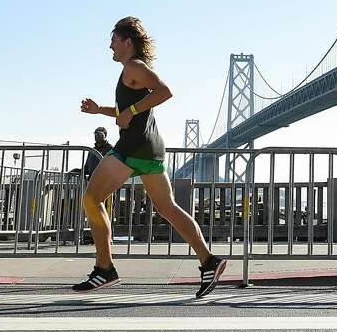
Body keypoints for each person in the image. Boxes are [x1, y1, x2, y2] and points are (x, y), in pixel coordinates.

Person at [76, 16, 227, 296]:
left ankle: (105, 268)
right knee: (167, 207)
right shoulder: (131, 70)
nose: (110, 46)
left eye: (113, 40)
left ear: (127, 42)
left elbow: (165, 92)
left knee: (91, 198)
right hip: (149, 148)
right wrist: (101, 111)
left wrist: (130, 113)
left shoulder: (135, 66)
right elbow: (130, 109)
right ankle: (209, 260)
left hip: (133, 148)